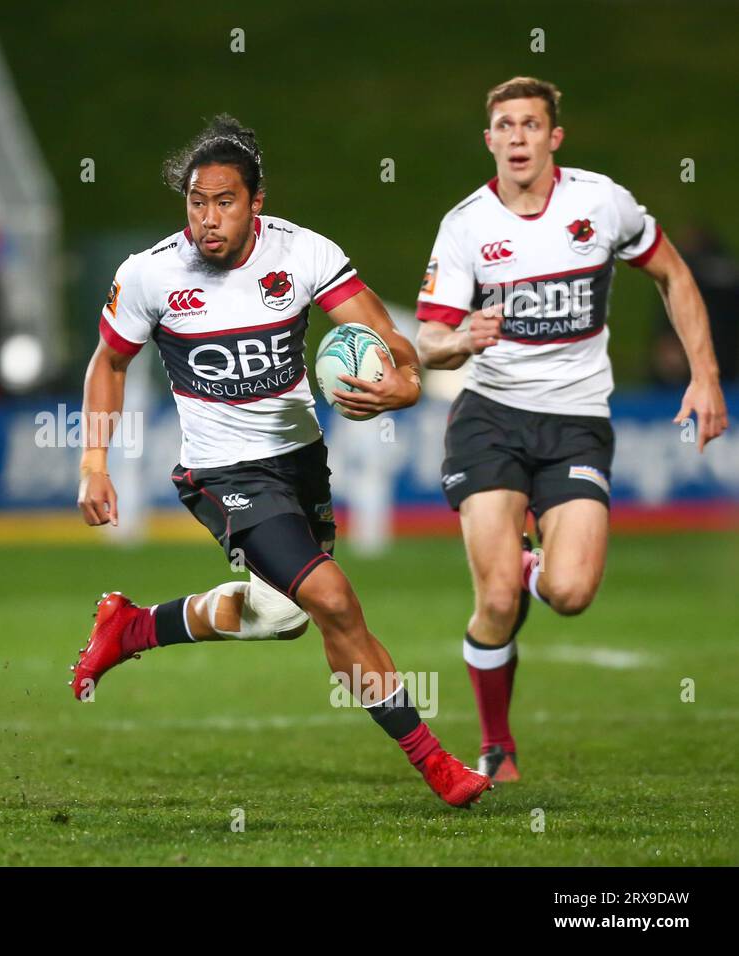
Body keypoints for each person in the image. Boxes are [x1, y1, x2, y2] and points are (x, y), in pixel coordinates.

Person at [71, 115, 492, 809]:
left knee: (285, 615)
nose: (208, 219)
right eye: (196, 202)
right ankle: (436, 763)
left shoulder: (303, 255)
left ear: (256, 202)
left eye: (225, 202)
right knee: (333, 598)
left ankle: (133, 626)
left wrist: (401, 388)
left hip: (299, 463)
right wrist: (93, 460)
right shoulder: (150, 274)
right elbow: (109, 362)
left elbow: (392, 343)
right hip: (221, 474)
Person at [414, 77, 729, 781]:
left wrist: (704, 375)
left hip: (577, 421)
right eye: (505, 125)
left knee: (571, 594)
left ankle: (534, 566)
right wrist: (462, 338)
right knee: (493, 600)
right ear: (489, 140)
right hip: (490, 419)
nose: (518, 137)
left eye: (531, 125)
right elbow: (428, 342)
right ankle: (498, 746)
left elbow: (675, 276)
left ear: (554, 138)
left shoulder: (600, 202)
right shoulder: (466, 226)